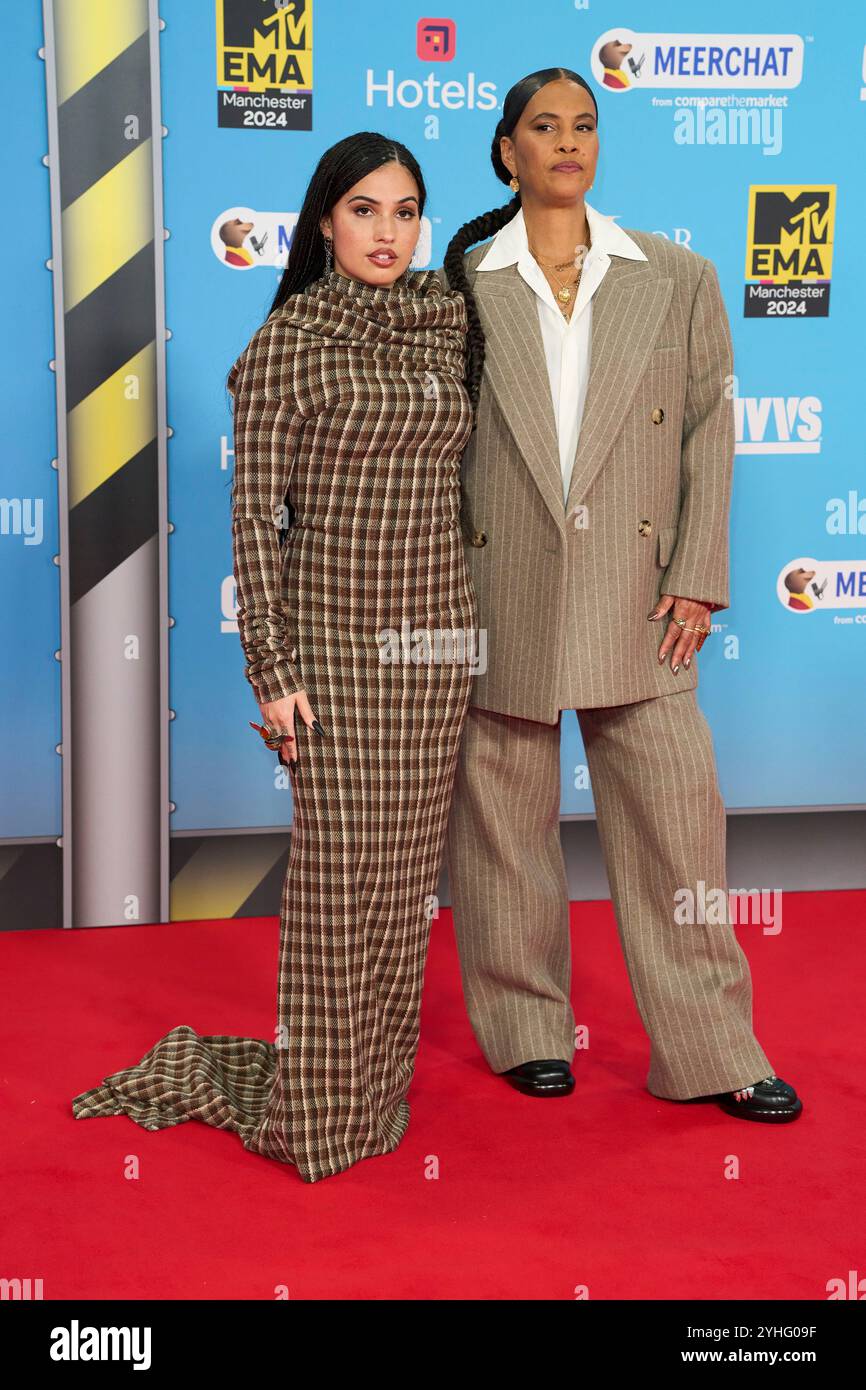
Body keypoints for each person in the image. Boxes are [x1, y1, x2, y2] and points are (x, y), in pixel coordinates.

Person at [71, 132, 479, 1180]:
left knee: (400, 887)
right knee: (342, 885)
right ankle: (319, 1104)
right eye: (363, 210)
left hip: (436, 645)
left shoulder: (445, 323)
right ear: (323, 221)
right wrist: (273, 671)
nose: (386, 232)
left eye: (403, 210)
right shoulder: (287, 345)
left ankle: (373, 1083)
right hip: (336, 649)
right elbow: (256, 520)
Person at [437, 68, 802, 1123]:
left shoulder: (675, 275)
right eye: (543, 127)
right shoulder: (456, 284)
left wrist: (695, 574)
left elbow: (705, 433)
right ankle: (524, 1031)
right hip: (494, 581)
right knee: (502, 822)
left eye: (584, 125)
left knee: (674, 827)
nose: (567, 142)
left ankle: (708, 1047)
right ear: (506, 150)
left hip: (638, 589)